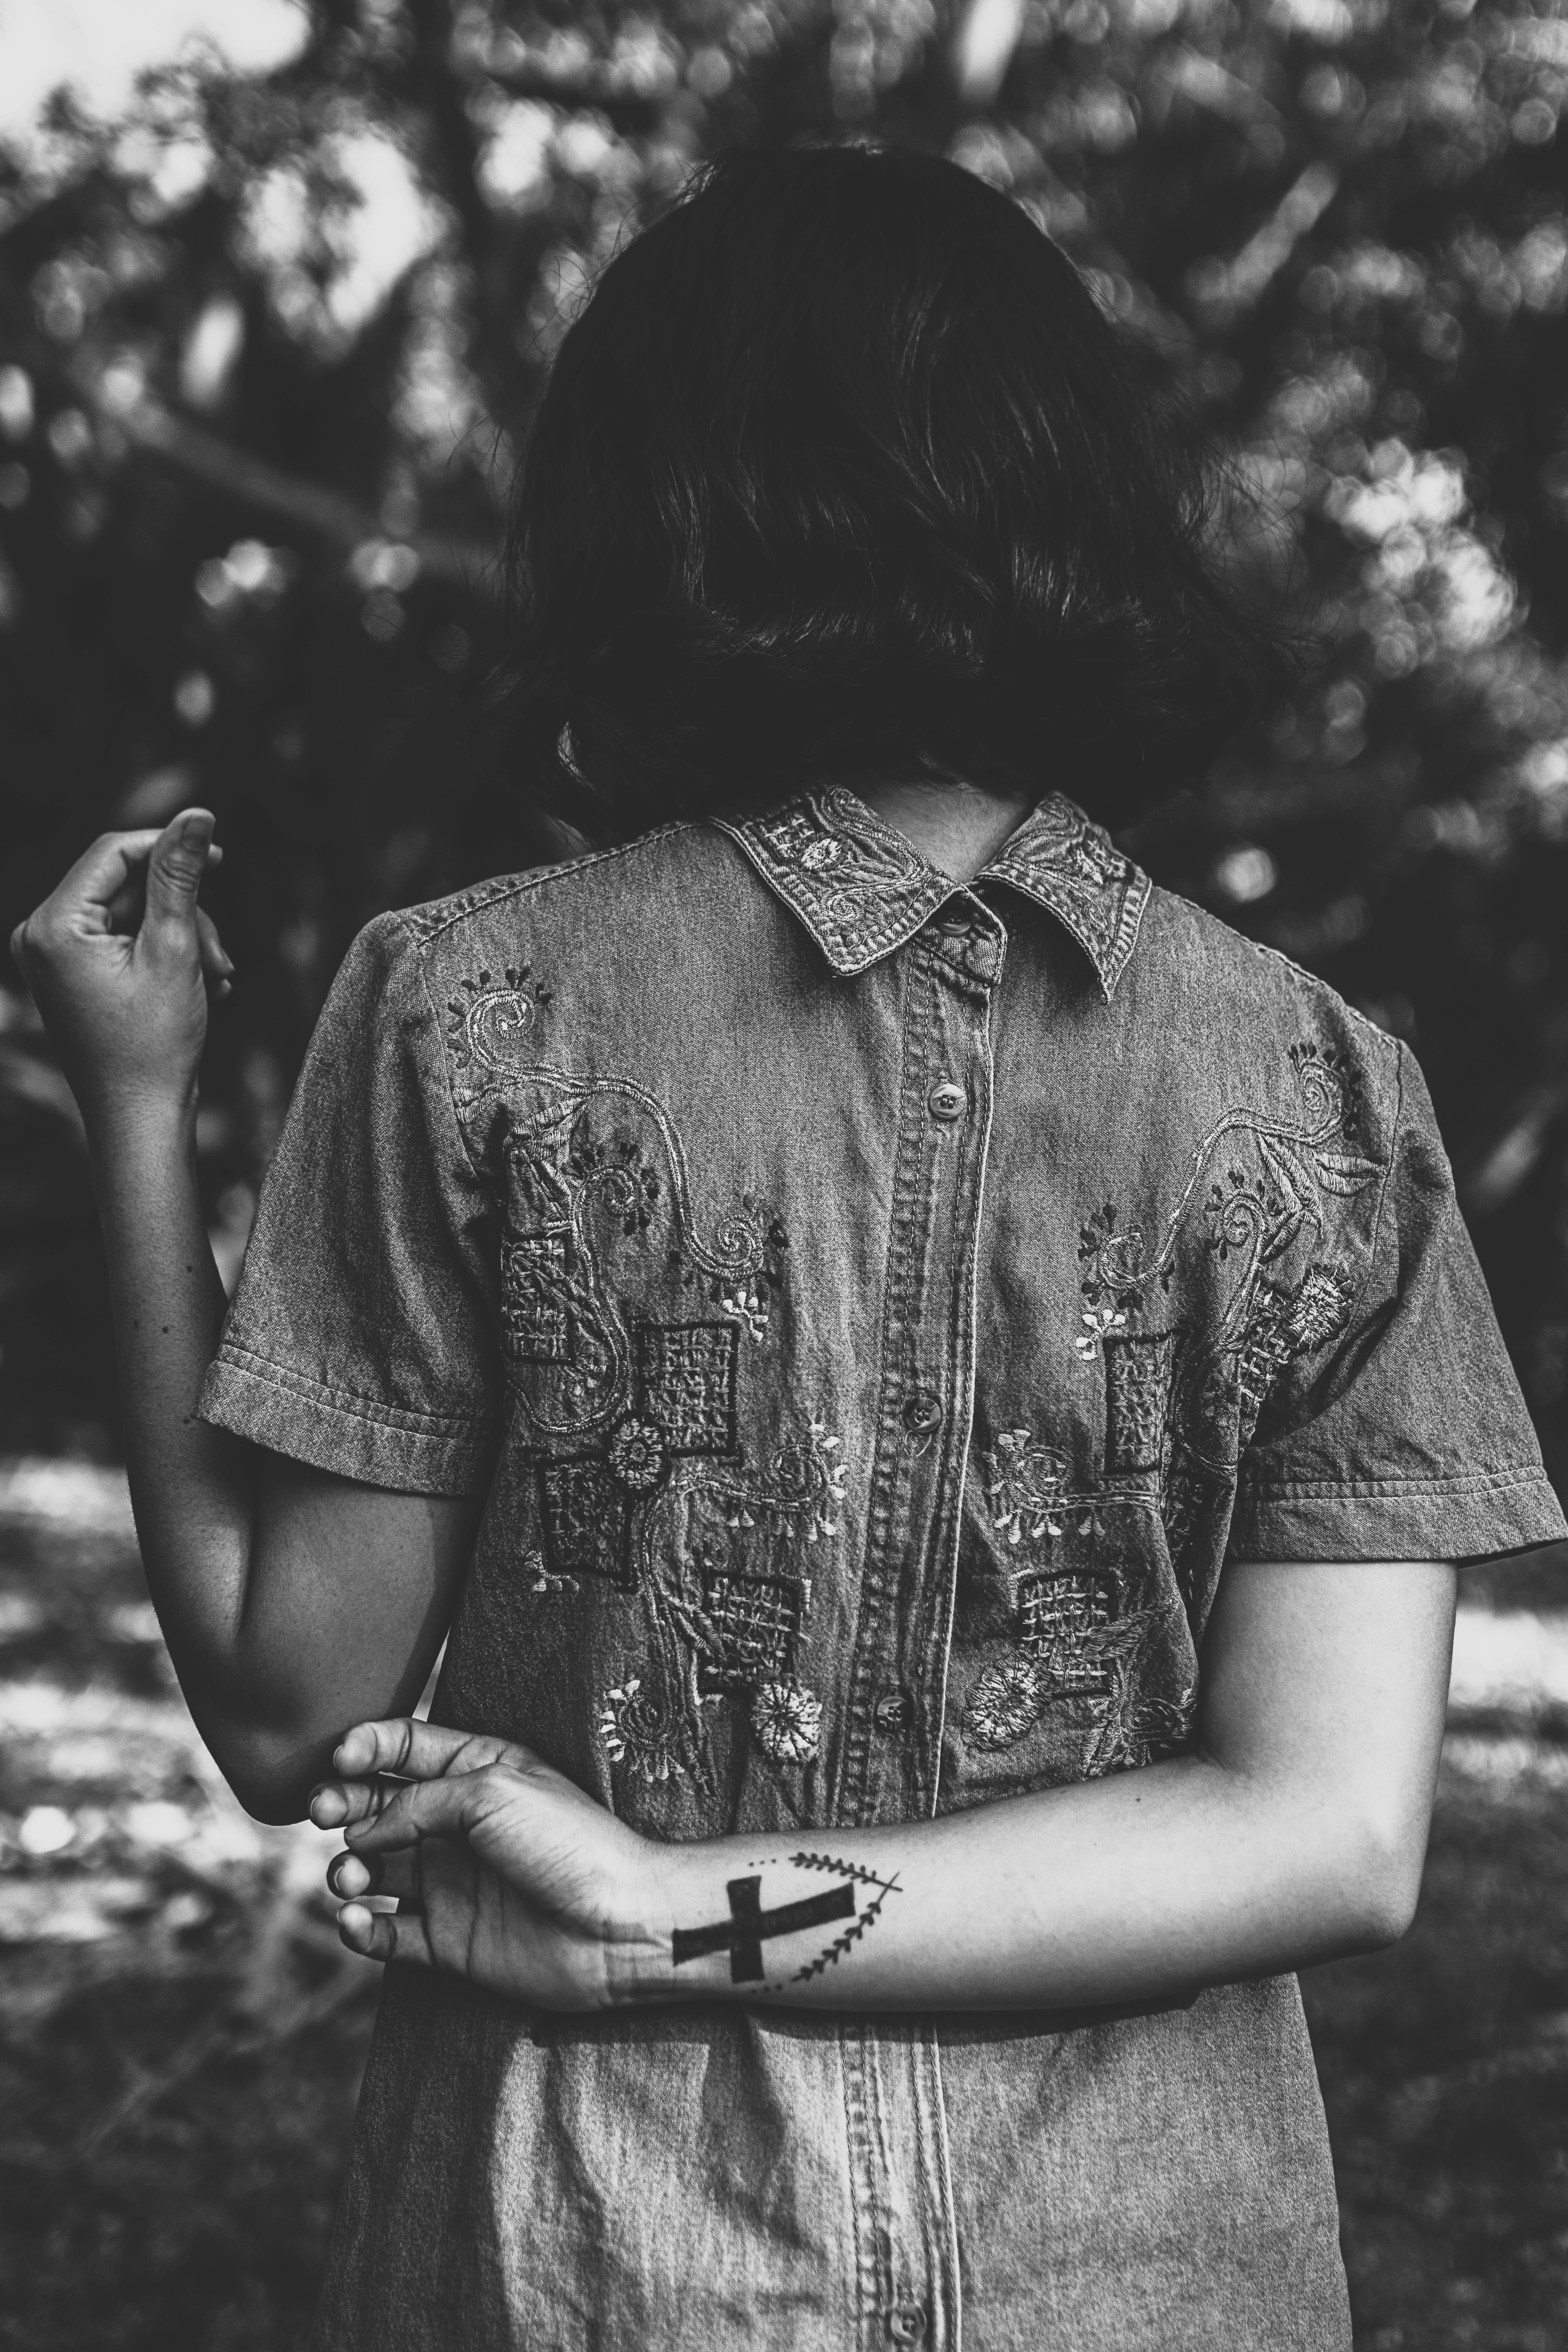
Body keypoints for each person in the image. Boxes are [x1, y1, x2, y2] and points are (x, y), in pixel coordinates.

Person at [13, 147, 1563, 2352]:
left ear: (645, 520)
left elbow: (291, 1712)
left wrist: (140, 1102)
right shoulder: (1323, 1090)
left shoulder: (468, 1007)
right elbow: (1329, 1835)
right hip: (1150, 2264)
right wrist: (665, 1912)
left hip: (597, 2243)